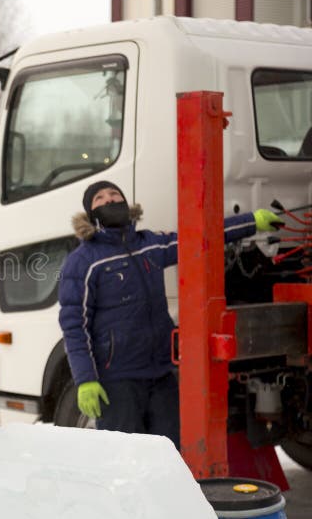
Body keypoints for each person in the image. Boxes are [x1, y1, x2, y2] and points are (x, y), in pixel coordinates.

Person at [57, 180, 282, 448]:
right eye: (100, 199)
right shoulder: (83, 261)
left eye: (115, 194)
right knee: (125, 459)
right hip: (117, 381)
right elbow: (74, 326)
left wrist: (251, 222)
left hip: (161, 373)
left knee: (169, 454)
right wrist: (85, 381)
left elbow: (199, 237)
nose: (109, 200)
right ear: (90, 212)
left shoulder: (149, 244)